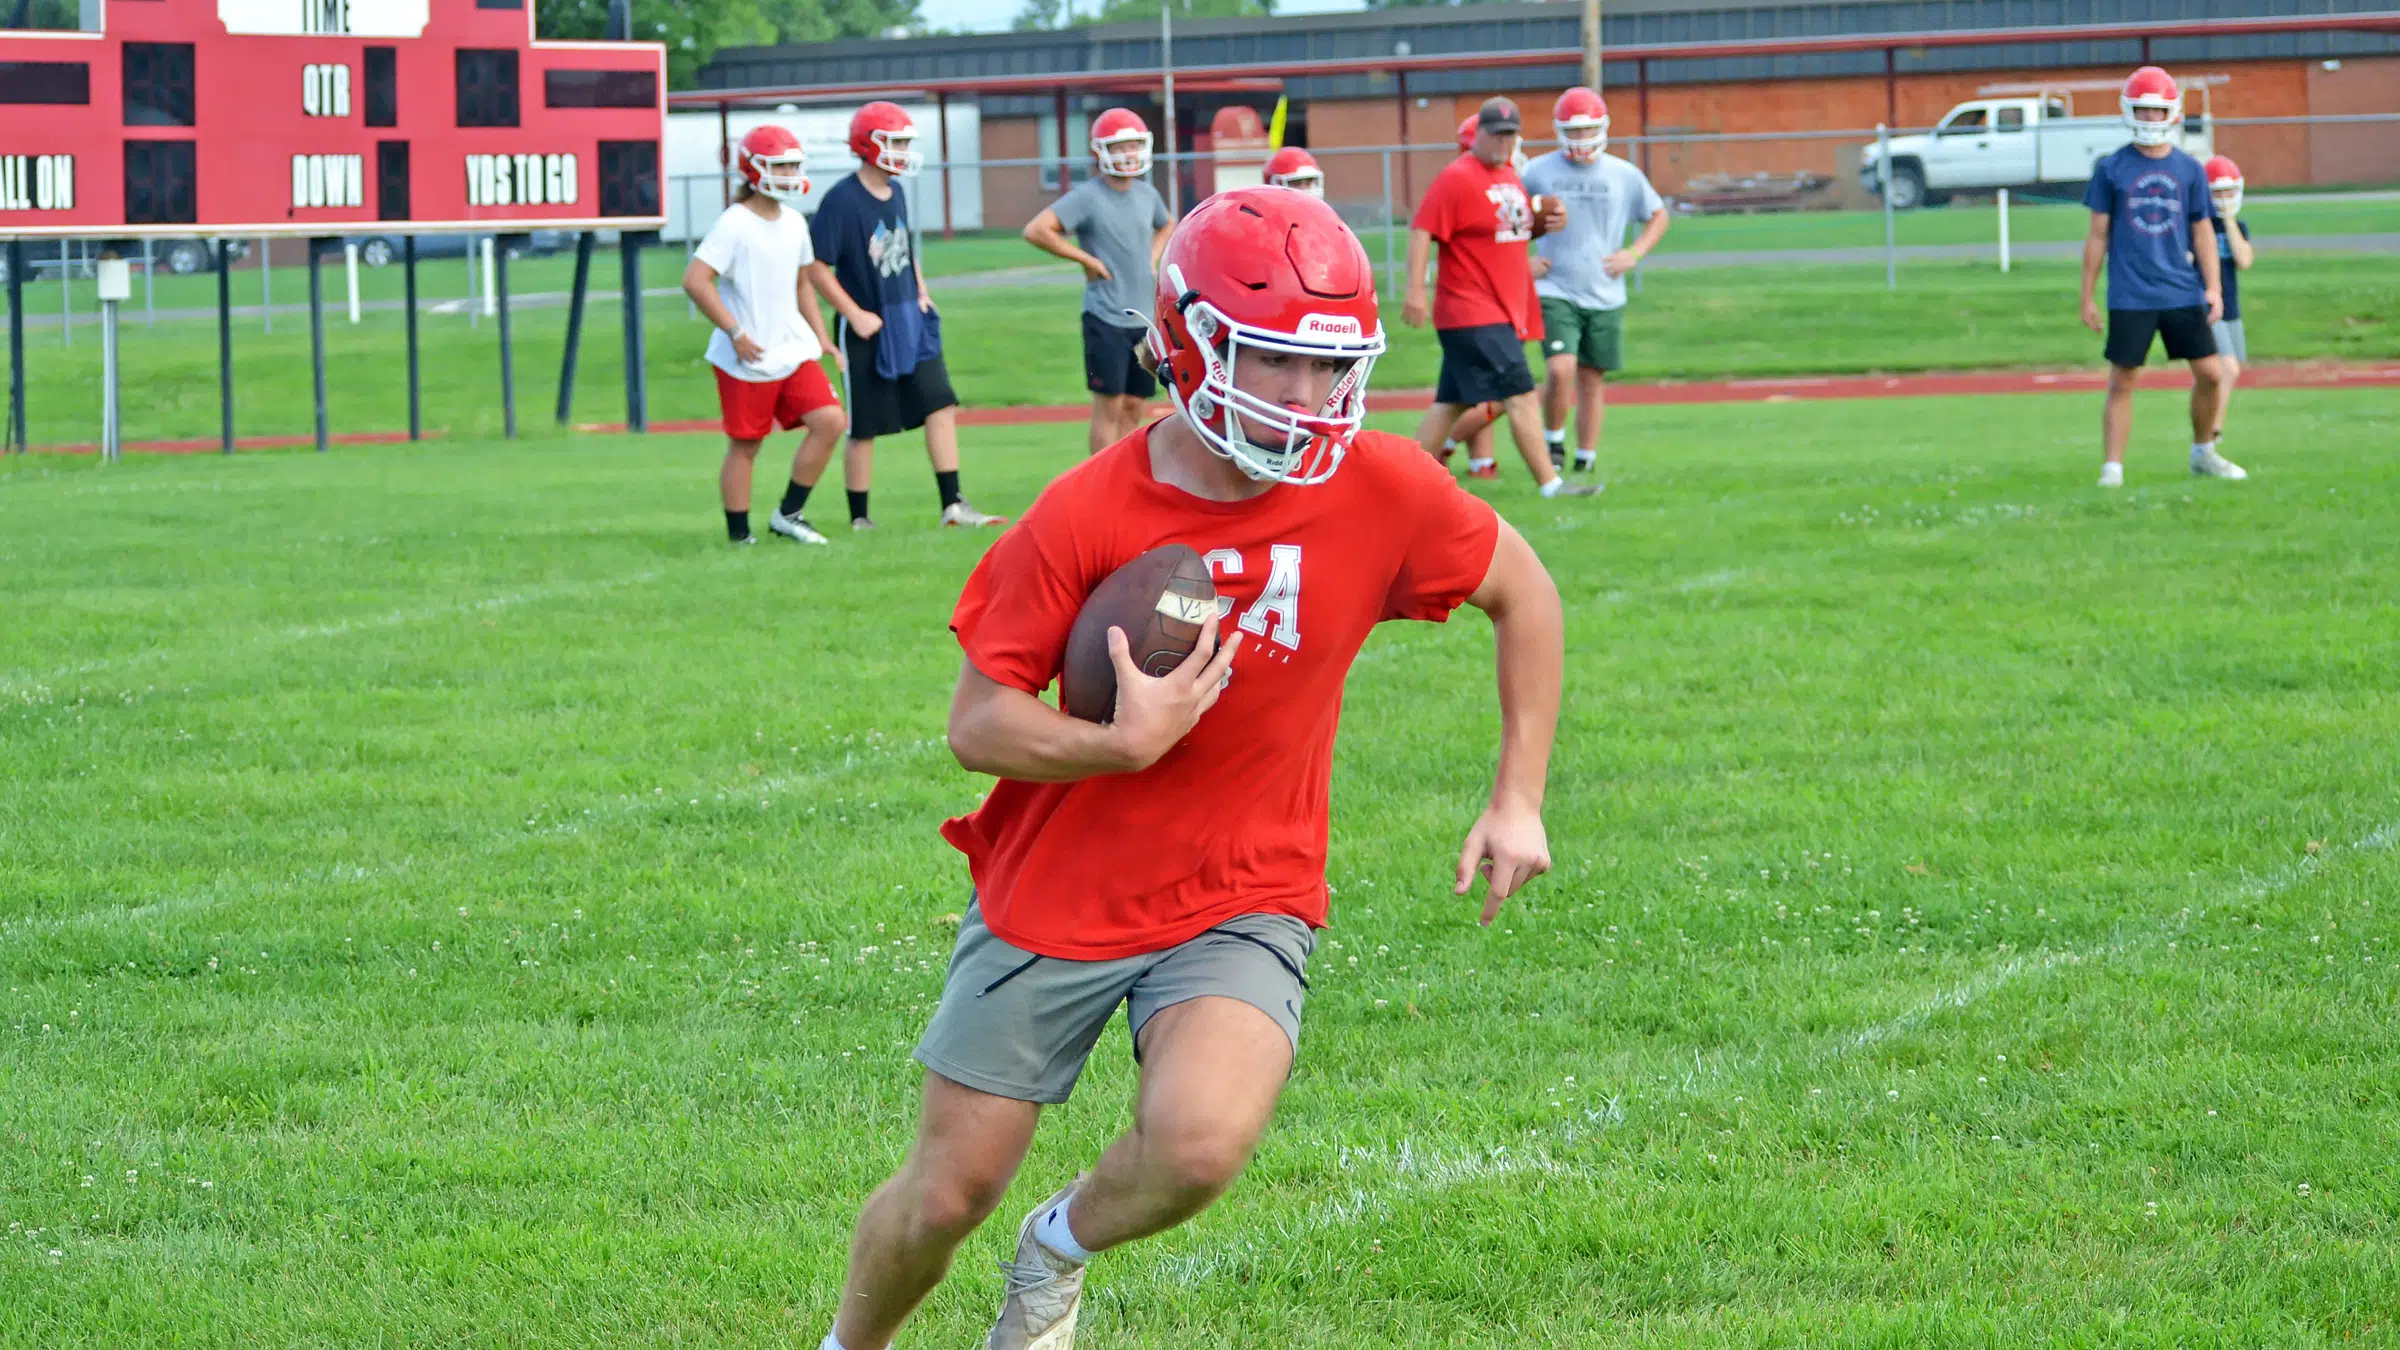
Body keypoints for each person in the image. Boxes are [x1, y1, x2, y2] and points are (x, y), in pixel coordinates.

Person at [818, 188, 1571, 1350]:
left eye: (1330, 369)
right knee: (945, 1194)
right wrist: (1117, 745)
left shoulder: (1380, 487)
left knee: (1200, 1146)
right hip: (1056, 893)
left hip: (1243, 887)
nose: (1311, 399)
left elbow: (1525, 594)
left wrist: (1517, 795)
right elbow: (978, 724)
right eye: (1275, 364)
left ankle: (1057, 1249)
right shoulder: (1087, 510)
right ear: (1191, 345)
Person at [808, 101, 1006, 529]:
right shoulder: (841, 200)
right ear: (867, 144)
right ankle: (860, 519)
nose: (901, 150)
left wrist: (921, 290)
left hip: (908, 318)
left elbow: (903, 247)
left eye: (904, 142)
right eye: (894, 141)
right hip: (867, 323)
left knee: (940, 403)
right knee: (863, 426)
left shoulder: (896, 191)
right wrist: (853, 314)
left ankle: (953, 504)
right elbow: (816, 266)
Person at [1404, 98, 1597, 499]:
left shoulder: (1509, 175)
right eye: (1496, 134)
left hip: (1498, 308)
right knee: (1521, 393)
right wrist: (1415, 290)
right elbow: (1423, 229)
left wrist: (1543, 224)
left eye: (1510, 135)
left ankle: (1400, 482)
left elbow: (1509, 232)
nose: (1504, 143)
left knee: (1451, 404)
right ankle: (1551, 483)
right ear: (1479, 134)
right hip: (1471, 308)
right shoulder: (1457, 177)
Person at [680, 125, 847, 547]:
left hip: (792, 347)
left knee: (830, 421)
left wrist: (821, 337)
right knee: (746, 445)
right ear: (753, 170)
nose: (790, 174)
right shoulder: (734, 223)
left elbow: (802, 283)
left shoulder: (793, 222)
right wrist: (734, 331)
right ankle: (740, 536)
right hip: (748, 356)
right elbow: (696, 280)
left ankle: (789, 514)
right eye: (780, 166)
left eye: (794, 166)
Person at [2078, 66, 2239, 487]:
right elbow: (2097, 235)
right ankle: (2112, 468)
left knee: (2211, 373)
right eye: (2143, 110)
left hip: (2181, 290)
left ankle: (2204, 451)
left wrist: (2214, 287)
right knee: (2122, 380)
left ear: (2172, 113)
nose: (2150, 119)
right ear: (2128, 111)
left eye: (2157, 111)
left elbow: (2202, 230)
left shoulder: (2188, 169)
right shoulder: (2111, 168)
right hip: (2130, 294)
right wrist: (2087, 295)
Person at [1520, 86, 1669, 479]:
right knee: (1560, 368)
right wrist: (1523, 260)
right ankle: (1554, 439)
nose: (1581, 139)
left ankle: (1586, 455)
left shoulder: (1624, 174)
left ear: (1602, 129)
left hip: (1604, 290)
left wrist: (1633, 254)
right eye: (1573, 130)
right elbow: (1507, 215)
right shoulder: (1538, 170)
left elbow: (1658, 215)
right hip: (1555, 286)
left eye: (1587, 130)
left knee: (1591, 377)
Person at [1022, 107, 1175, 456]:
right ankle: (1101, 484)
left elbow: (1167, 223)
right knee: (1110, 404)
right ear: (1100, 151)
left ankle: (1122, 475)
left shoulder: (1147, 194)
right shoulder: (1087, 196)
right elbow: (1036, 230)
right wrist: (1085, 259)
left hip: (1142, 318)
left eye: (1134, 146)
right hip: (1105, 317)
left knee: (1136, 405)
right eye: (1120, 147)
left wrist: (1152, 255)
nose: (1129, 154)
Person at [2203, 154, 2255, 451]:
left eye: (2229, 191)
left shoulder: (2238, 226)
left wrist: (2228, 220)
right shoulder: (2197, 225)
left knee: (2226, 371)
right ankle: (2212, 430)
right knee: (2228, 368)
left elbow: (2244, 260)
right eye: (2217, 192)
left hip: (2231, 306)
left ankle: (2210, 425)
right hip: (2209, 306)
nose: (2223, 198)